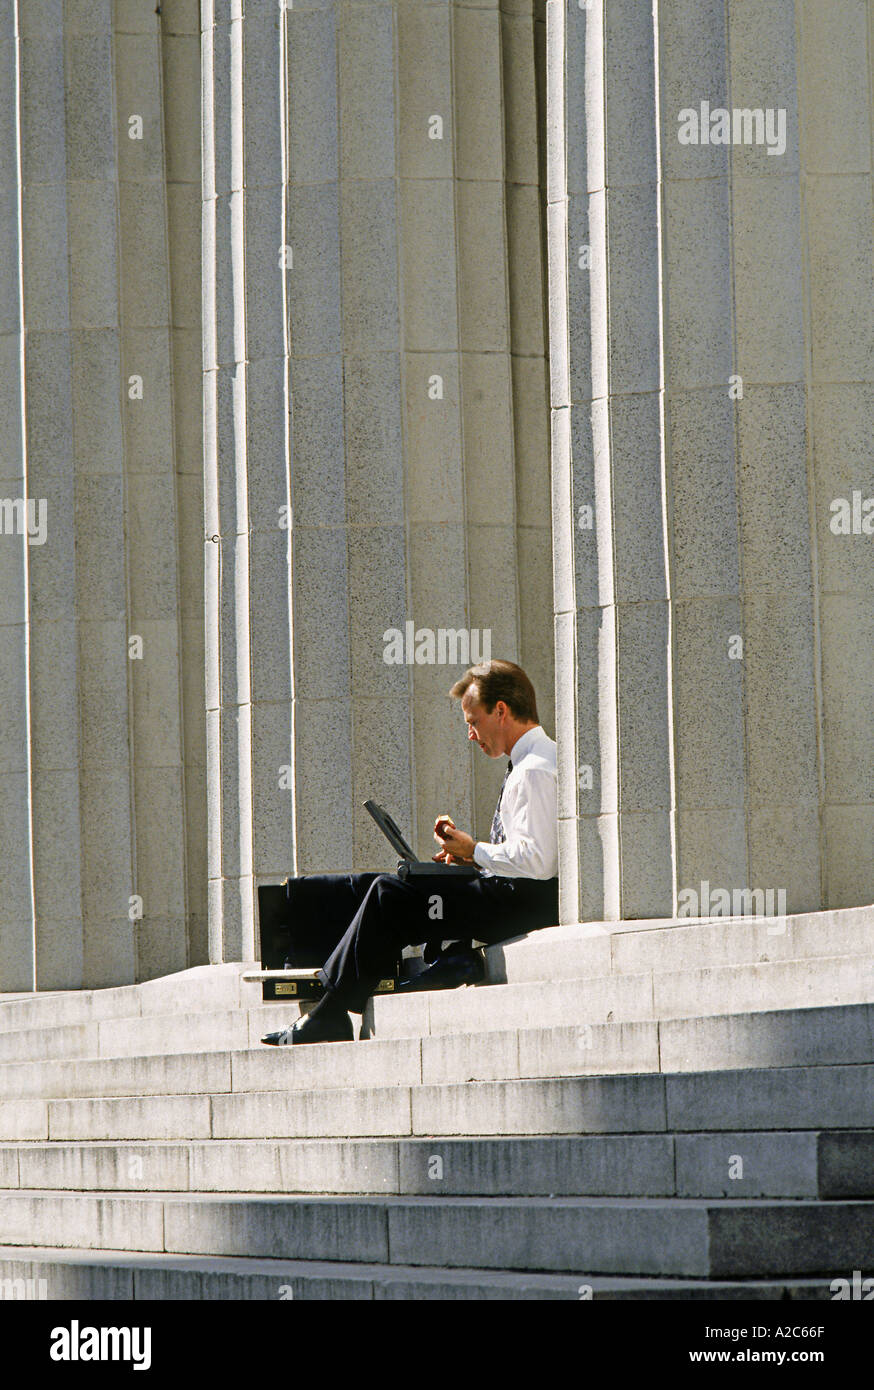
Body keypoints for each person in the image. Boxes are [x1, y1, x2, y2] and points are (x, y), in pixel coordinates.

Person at [261, 658, 559, 1045]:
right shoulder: (528, 763)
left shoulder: (535, 768)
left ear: (500, 711)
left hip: (520, 902)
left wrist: (477, 851)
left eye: (473, 721)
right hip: (508, 893)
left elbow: (538, 861)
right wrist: (469, 856)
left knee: (390, 896)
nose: (471, 734)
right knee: (379, 884)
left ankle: (331, 1011)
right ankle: (319, 989)